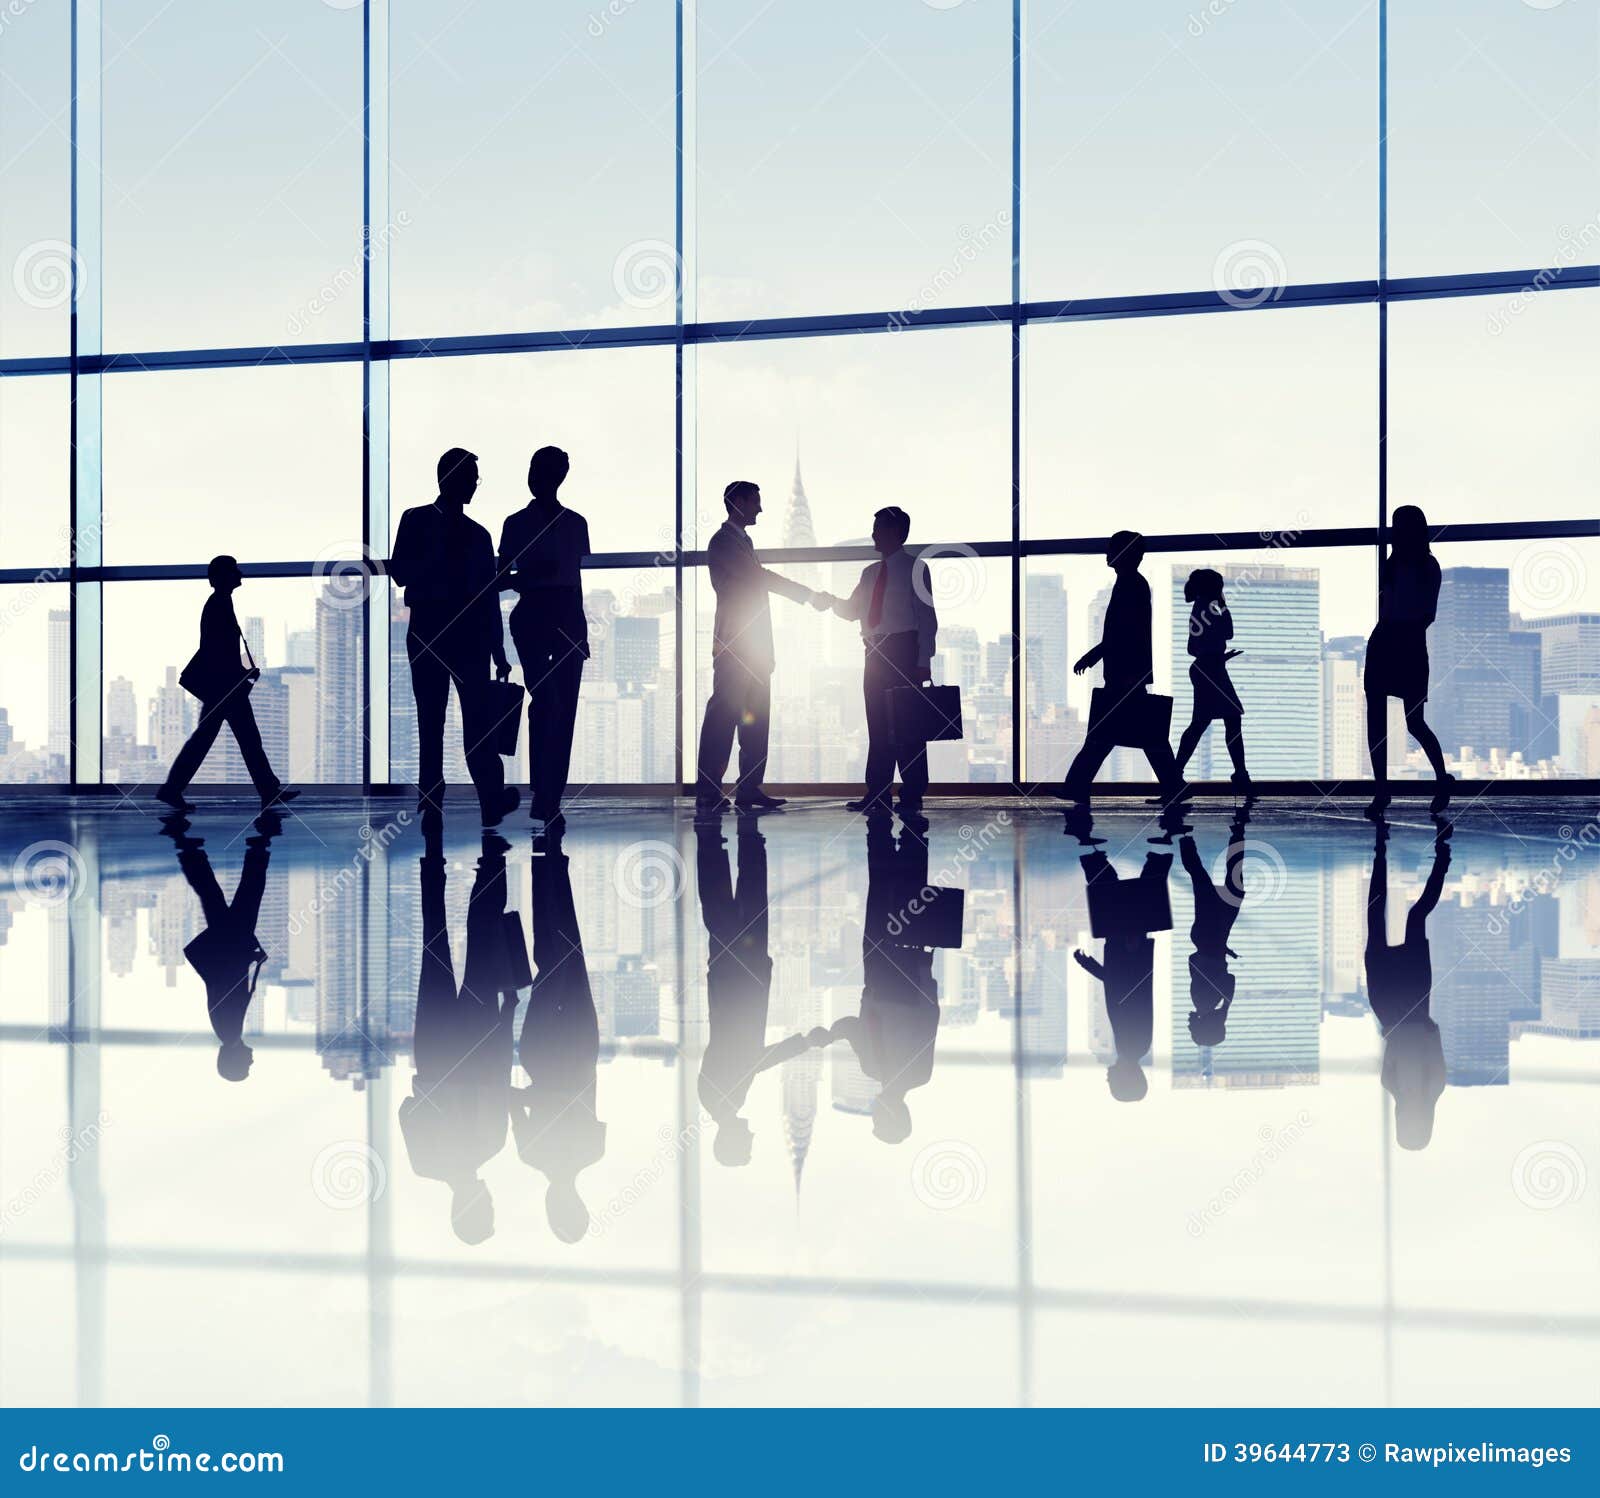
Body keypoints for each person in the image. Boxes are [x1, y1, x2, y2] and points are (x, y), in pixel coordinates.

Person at [398, 826, 522, 1245]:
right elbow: (405, 1110)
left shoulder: (492, 1144)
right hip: (434, 1054)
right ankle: (432, 860)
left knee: (482, 944)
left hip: (478, 1039)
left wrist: (506, 1019)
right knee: (435, 944)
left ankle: (491, 862)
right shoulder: (425, 1163)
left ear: (482, 1205)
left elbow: (497, 1078)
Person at [389, 448, 519, 827]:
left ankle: (433, 802)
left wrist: (497, 647)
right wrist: (496, 647)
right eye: (471, 479)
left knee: (433, 722)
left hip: (431, 631)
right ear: (451, 479)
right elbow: (485, 594)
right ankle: (488, 799)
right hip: (467, 637)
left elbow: (401, 572)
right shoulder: (475, 535)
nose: (474, 487)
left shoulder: (420, 522)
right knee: (472, 722)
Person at [695, 479, 829, 818]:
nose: (760, 508)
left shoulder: (743, 542)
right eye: (755, 500)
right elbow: (760, 578)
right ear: (737, 501)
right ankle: (709, 792)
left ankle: (749, 789)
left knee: (756, 720)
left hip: (754, 649)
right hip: (735, 647)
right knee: (723, 719)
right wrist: (808, 595)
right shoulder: (723, 542)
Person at [815, 819, 944, 1144]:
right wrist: (827, 1037)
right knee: (880, 898)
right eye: (877, 1119)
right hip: (879, 972)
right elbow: (852, 1027)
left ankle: (913, 832)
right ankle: (880, 832)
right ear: (889, 1114)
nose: (873, 1113)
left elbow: (930, 1018)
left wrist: (926, 975)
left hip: (908, 972)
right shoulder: (876, 1069)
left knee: (911, 898)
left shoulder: (915, 1075)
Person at [696, 822, 811, 1164]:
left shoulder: (724, 1101)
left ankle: (737, 836)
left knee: (739, 905)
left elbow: (752, 1059)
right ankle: (722, 839)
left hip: (740, 982)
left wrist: (802, 1043)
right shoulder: (719, 1101)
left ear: (730, 1141)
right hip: (734, 979)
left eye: (745, 1143)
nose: (751, 1135)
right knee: (729, 908)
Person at [820, 506, 939, 829]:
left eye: (879, 528)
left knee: (908, 729)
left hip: (902, 650)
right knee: (878, 725)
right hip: (873, 653)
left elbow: (927, 619)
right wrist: (829, 601)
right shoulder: (869, 573)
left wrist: (922, 661)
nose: (873, 534)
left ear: (897, 533)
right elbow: (851, 611)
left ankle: (913, 793)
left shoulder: (917, 569)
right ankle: (878, 792)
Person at [511, 844, 605, 1245]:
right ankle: (543, 863)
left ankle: (553, 862)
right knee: (549, 962)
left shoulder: (592, 1152)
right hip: (541, 1052)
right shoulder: (531, 1155)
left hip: (580, 1045)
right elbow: (517, 1102)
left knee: (568, 953)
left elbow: (581, 1099)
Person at [156, 555, 297, 812]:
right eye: (235, 571)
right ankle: (267, 791)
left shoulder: (220, 603)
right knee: (238, 739)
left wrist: (241, 672)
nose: (240, 574)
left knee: (229, 739)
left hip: (224, 687)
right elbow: (216, 651)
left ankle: (174, 788)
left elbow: (217, 651)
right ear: (224, 576)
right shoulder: (218, 605)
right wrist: (240, 675)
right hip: (226, 688)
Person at [498, 446, 589, 837]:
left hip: (555, 617)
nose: (536, 477)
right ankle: (546, 793)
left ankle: (549, 793)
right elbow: (501, 577)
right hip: (541, 616)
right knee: (552, 703)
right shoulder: (526, 523)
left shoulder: (561, 523)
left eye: (540, 470)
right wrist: (533, 576)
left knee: (557, 706)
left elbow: (575, 580)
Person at [1059, 531, 1182, 806]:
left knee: (1103, 735)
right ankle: (1175, 787)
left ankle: (1076, 787)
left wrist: (1094, 654)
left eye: (1112, 548)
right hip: (1129, 672)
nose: (1107, 553)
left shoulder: (1131, 585)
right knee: (1144, 736)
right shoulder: (1132, 583)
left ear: (1124, 553)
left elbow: (1123, 634)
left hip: (1125, 673)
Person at [161, 809, 282, 1081]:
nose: (252, 1060)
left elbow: (227, 983)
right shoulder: (227, 1031)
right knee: (218, 894)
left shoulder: (230, 1031)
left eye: (247, 1065)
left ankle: (261, 840)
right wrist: (251, 958)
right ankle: (185, 843)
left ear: (235, 1060)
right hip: (230, 946)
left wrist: (248, 954)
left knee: (246, 893)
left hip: (232, 944)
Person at [1365, 820, 1450, 1150]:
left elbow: (1428, 1036)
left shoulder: (1396, 1088)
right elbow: (1433, 1035)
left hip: (1395, 1005)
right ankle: (1441, 857)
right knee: (1411, 918)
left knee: (1379, 920)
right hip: (1406, 1005)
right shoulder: (1432, 1087)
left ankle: (1381, 852)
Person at [1365, 504, 1454, 816]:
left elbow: (1413, 610)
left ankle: (1387, 790)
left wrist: (1399, 626)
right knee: (1405, 720)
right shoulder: (1420, 566)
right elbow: (1425, 613)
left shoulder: (1411, 566)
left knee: (1397, 720)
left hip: (1395, 640)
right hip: (1402, 642)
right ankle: (1391, 788)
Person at [1073, 847, 1172, 1102]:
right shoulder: (1132, 1045)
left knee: (1125, 900)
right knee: (1114, 898)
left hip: (1127, 956)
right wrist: (1132, 951)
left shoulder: (1134, 1047)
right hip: (1127, 955)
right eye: (1112, 1084)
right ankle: (1088, 843)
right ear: (1127, 1079)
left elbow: (1119, 989)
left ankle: (1159, 851)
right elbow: (1129, 992)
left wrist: (1090, 965)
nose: (1107, 1078)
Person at [1173, 568, 1250, 791]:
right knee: (1222, 720)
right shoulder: (1207, 609)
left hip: (1210, 668)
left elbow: (1197, 645)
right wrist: (1224, 606)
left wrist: (1218, 656)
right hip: (1211, 670)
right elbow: (1227, 633)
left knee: (1204, 722)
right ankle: (1240, 773)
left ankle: (1176, 773)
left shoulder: (1202, 608)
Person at [1179, 818, 1247, 1051]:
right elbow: (1193, 961)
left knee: (1229, 885)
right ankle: (1185, 837)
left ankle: (1236, 834)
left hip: (1213, 936)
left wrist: (1226, 1008)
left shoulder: (1206, 1002)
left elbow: (1229, 979)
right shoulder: (1203, 1003)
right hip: (1210, 938)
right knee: (1208, 883)